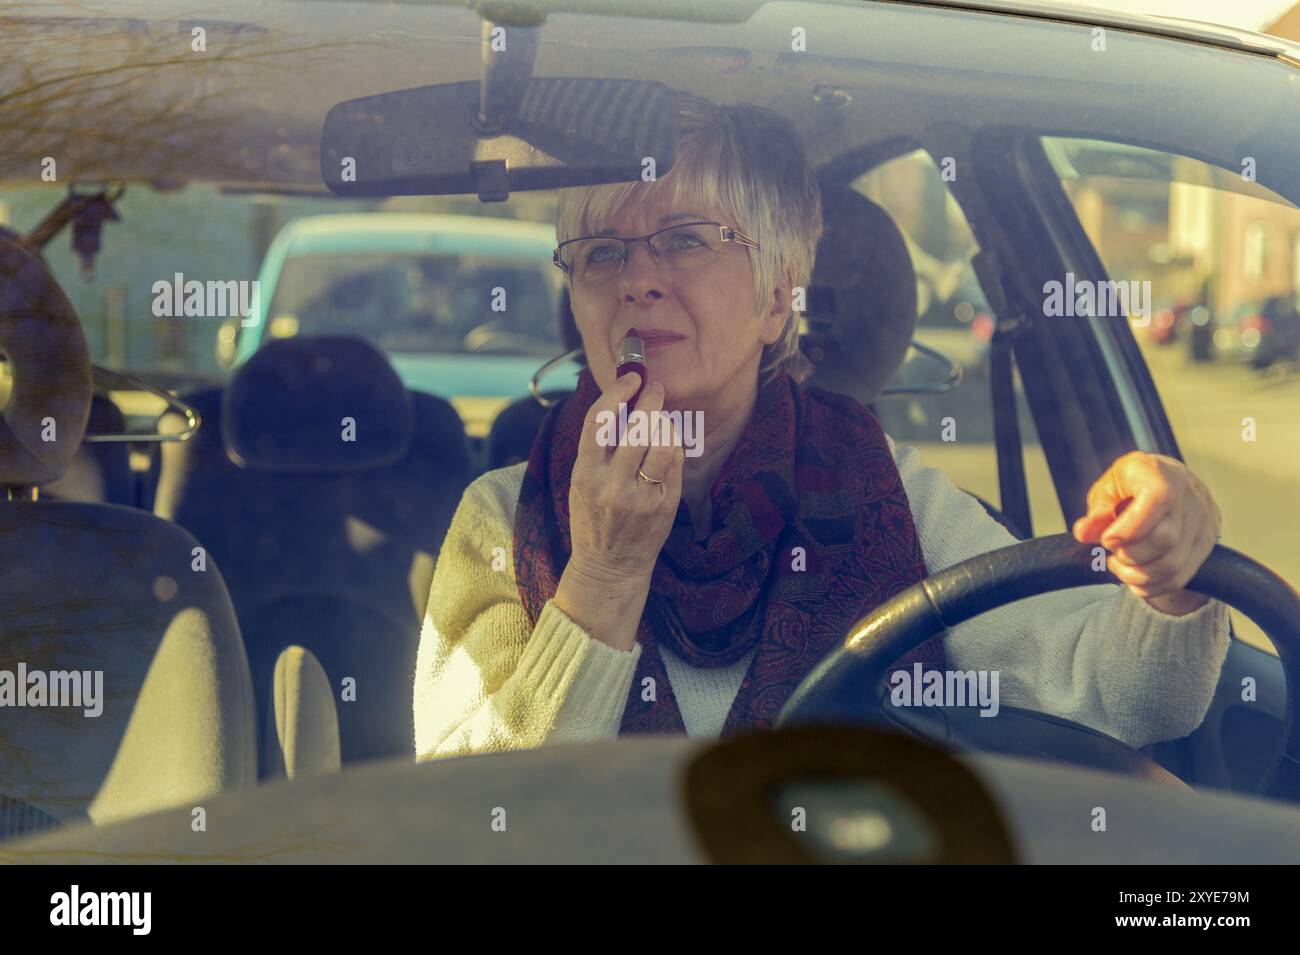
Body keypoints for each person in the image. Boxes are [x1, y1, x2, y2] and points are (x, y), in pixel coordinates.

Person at [413, 94, 1230, 760]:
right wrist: (599, 581)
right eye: (599, 254)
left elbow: (1129, 695)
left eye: (685, 240)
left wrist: (1169, 566)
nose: (637, 280)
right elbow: (464, 828)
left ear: (778, 297)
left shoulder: (887, 494)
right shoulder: (502, 518)